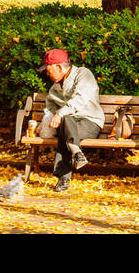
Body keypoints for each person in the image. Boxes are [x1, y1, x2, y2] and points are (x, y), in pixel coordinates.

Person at [38, 48, 104, 192]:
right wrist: (43, 123)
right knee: (66, 124)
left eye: (48, 70)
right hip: (68, 126)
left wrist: (60, 114)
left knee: (65, 123)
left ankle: (64, 178)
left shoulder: (83, 74)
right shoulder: (55, 88)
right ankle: (77, 153)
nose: (47, 74)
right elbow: (50, 109)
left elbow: (80, 98)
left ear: (59, 67)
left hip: (89, 122)